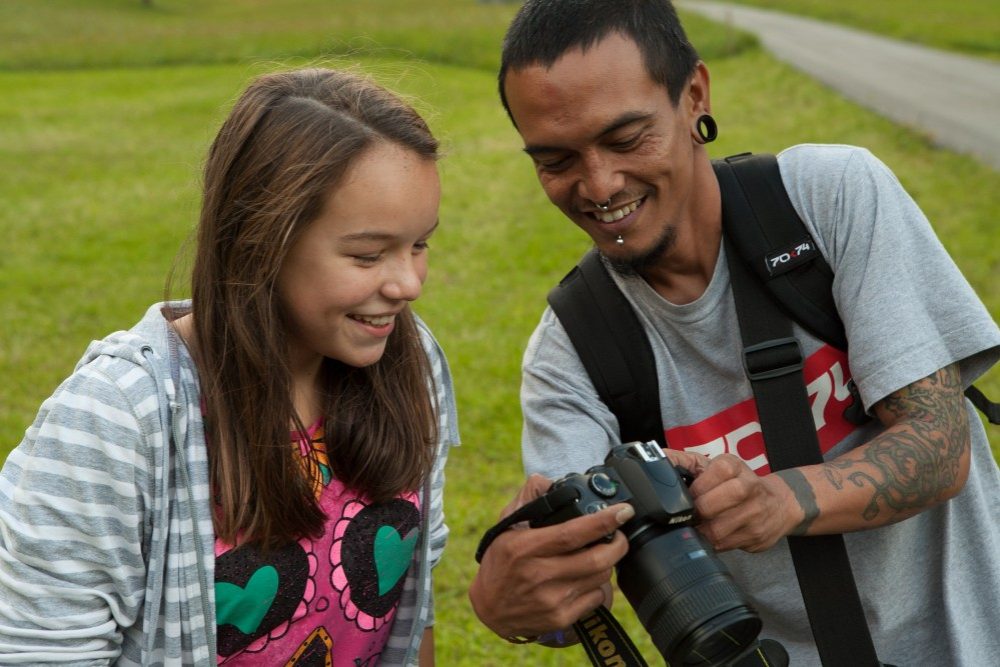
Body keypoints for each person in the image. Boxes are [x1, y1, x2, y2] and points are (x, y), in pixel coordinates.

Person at [468, 1, 1000, 664]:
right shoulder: (572, 353)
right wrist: (511, 596)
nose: (599, 185)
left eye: (628, 138)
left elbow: (940, 443)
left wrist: (777, 499)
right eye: (556, 160)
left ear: (693, 95)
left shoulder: (827, 201)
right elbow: (573, 585)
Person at [0, 67, 459, 666]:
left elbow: (412, 605)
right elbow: (41, 651)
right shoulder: (115, 419)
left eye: (419, 244)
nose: (409, 284)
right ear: (261, 239)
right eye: (368, 254)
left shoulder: (410, 361)